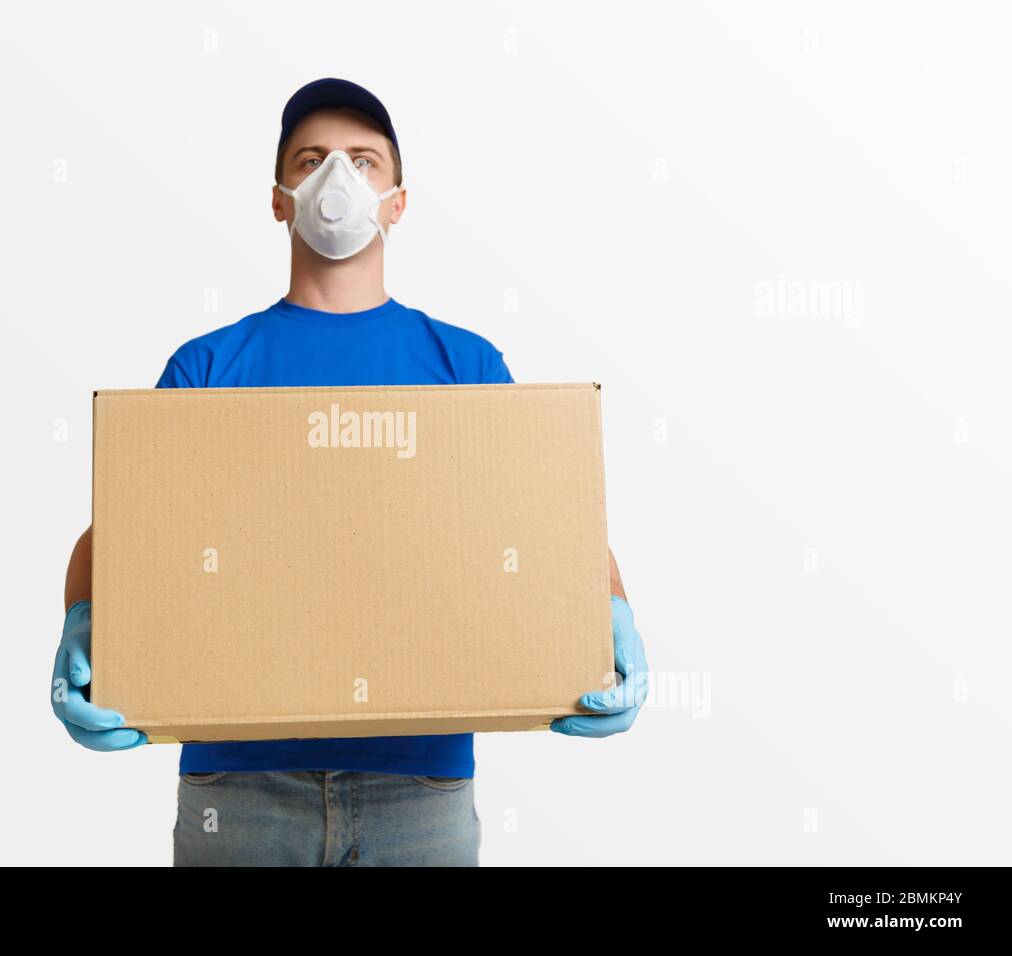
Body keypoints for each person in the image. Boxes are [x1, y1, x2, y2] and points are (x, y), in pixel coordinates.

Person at [51, 78, 649, 866]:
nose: (338, 180)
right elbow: (133, 529)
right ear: (279, 199)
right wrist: (86, 625)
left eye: (363, 161)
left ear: (397, 201)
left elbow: (542, 524)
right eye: (312, 159)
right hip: (238, 791)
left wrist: (608, 617)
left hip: (420, 790)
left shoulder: (464, 365)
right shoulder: (207, 367)